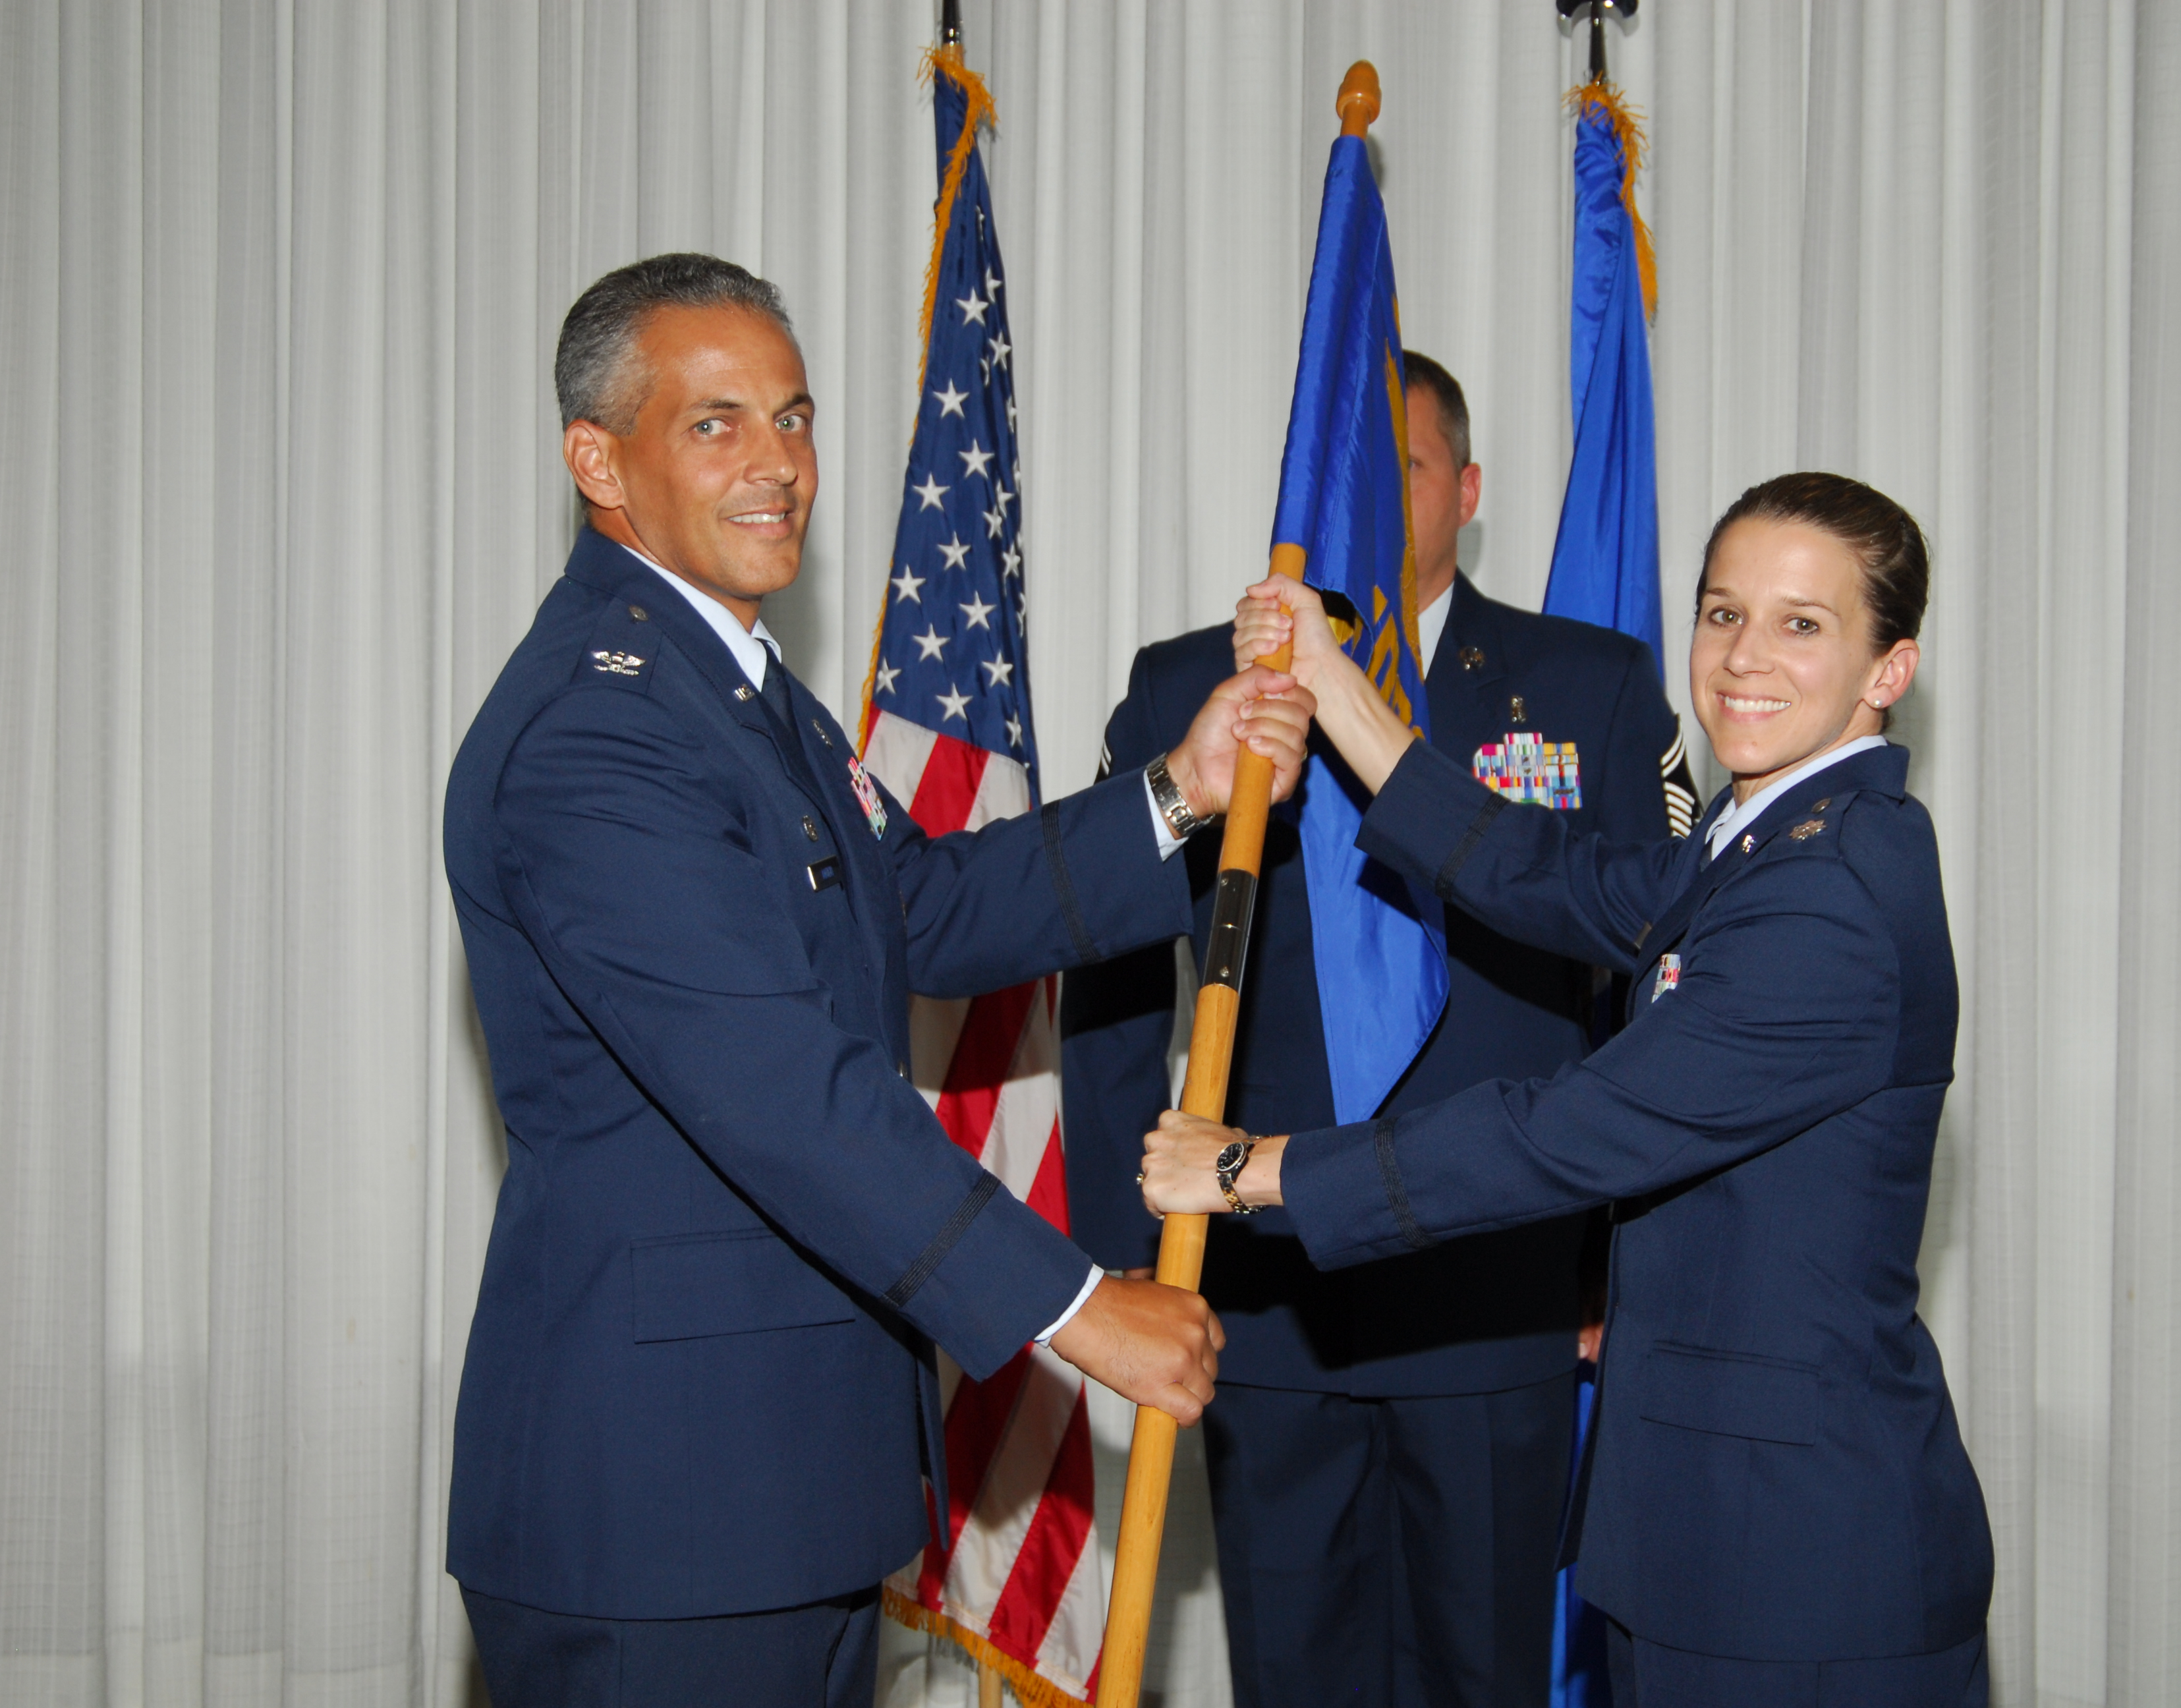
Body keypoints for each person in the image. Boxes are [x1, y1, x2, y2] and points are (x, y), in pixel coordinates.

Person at [441, 253, 1312, 1708]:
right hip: (657, 1518)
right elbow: (782, 1093)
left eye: (792, 417)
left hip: (787, 1487)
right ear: (599, 457)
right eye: (715, 423)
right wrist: (1077, 1305)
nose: (779, 464)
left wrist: (1178, 787)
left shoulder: (731, 690)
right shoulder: (598, 736)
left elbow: (917, 903)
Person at [1141, 472, 1995, 1705]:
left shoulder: (1832, 893)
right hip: (1702, 1531)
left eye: (1802, 625)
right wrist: (1337, 690)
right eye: (1722, 613)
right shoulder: (1753, 842)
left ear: (1887, 669)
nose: (1744, 658)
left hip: (1800, 1564)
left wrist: (1248, 1169)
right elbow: (1549, 873)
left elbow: (1569, 1134)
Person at [1061, 353, 1695, 1706]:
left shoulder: (1586, 684)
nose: (1367, 500)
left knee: (1482, 1676)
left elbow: (1654, 988)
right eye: (1341, 474)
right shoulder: (1189, 683)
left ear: (1465, 491)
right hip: (1264, 1293)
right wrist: (1127, 1262)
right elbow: (1109, 977)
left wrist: (1620, 1257)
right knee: (1296, 1677)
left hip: (1496, 1281)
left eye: (1401, 466)